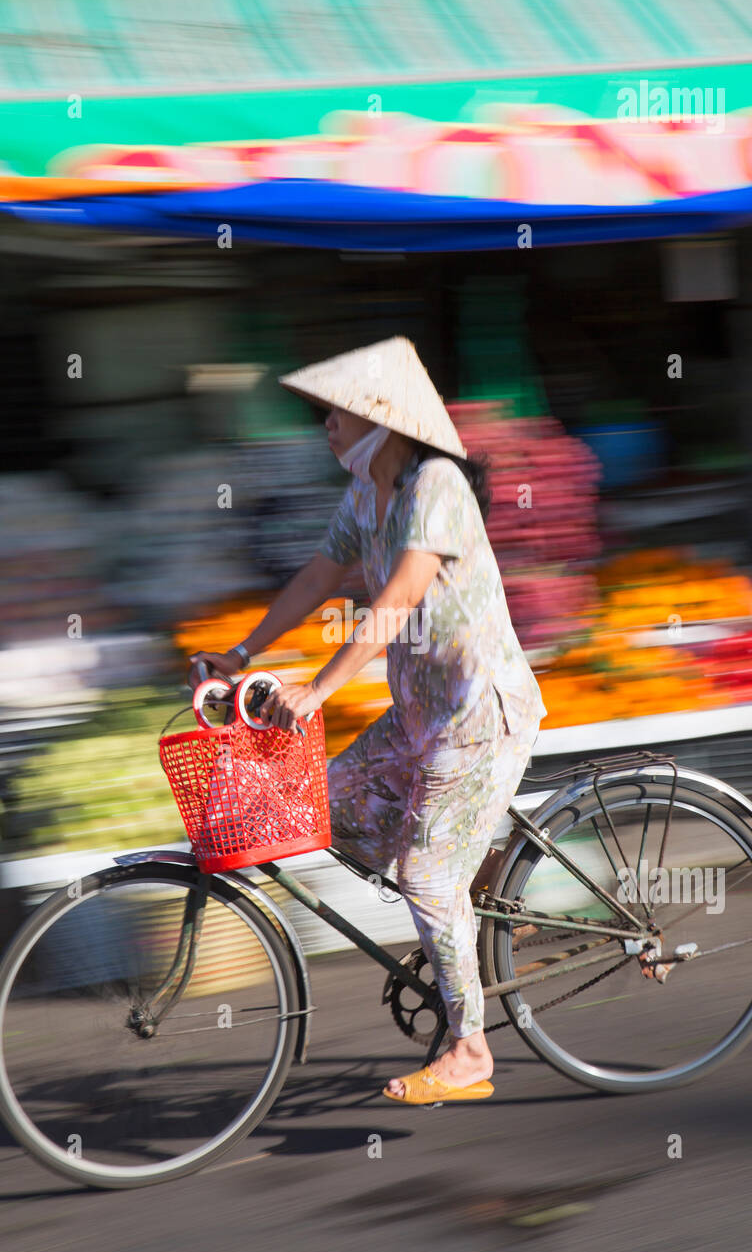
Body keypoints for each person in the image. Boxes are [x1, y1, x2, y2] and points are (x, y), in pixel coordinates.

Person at [189, 336, 546, 1105]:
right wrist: (239, 652)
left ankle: (469, 1050)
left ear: (384, 421)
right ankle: (480, 877)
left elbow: (398, 600)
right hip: (416, 714)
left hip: (477, 716)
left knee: (423, 875)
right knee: (316, 807)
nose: (326, 424)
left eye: (338, 413)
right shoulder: (366, 496)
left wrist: (319, 688)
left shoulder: (435, 485)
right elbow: (319, 576)